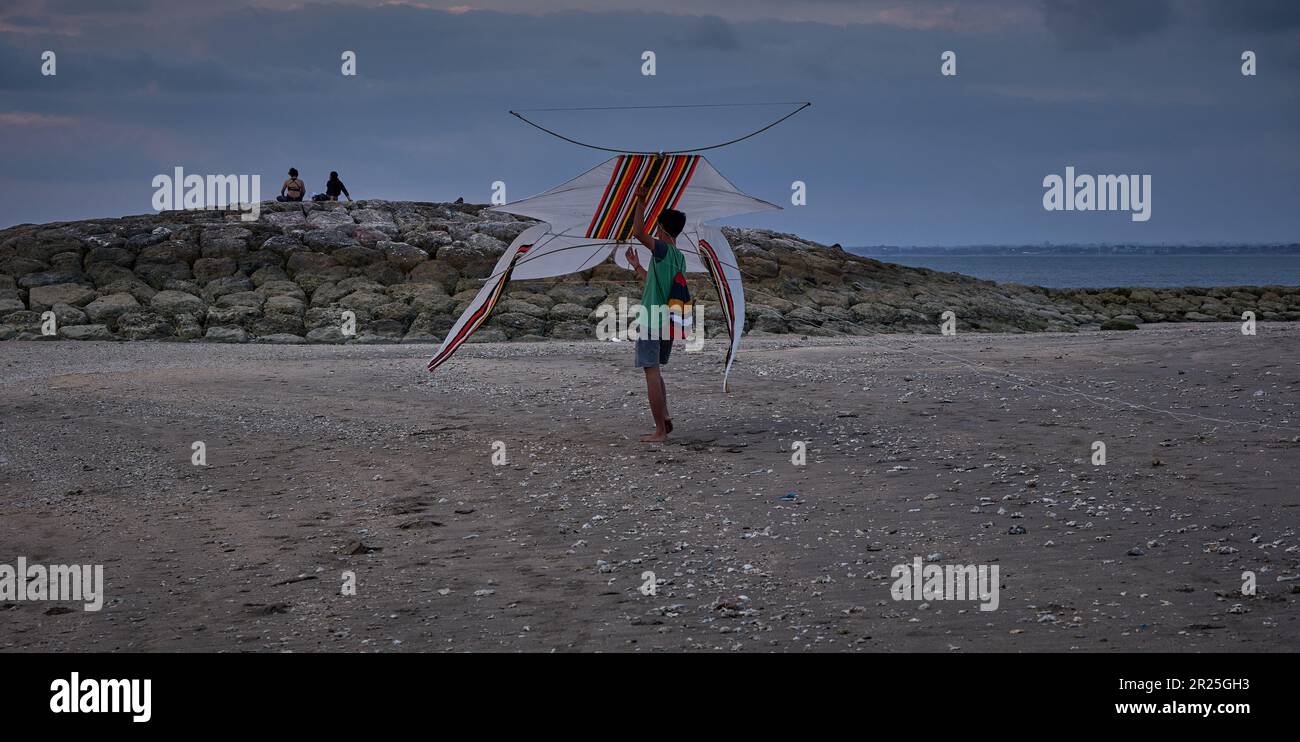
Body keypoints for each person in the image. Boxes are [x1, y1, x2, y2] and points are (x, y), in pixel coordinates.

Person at [625, 185, 689, 443]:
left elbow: (638, 232)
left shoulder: (662, 249)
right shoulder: (680, 257)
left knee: (650, 372)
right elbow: (654, 281)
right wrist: (637, 266)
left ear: (662, 228)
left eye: (657, 227)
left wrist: (640, 201)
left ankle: (660, 431)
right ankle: (665, 417)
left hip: (652, 319)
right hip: (669, 322)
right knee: (657, 371)